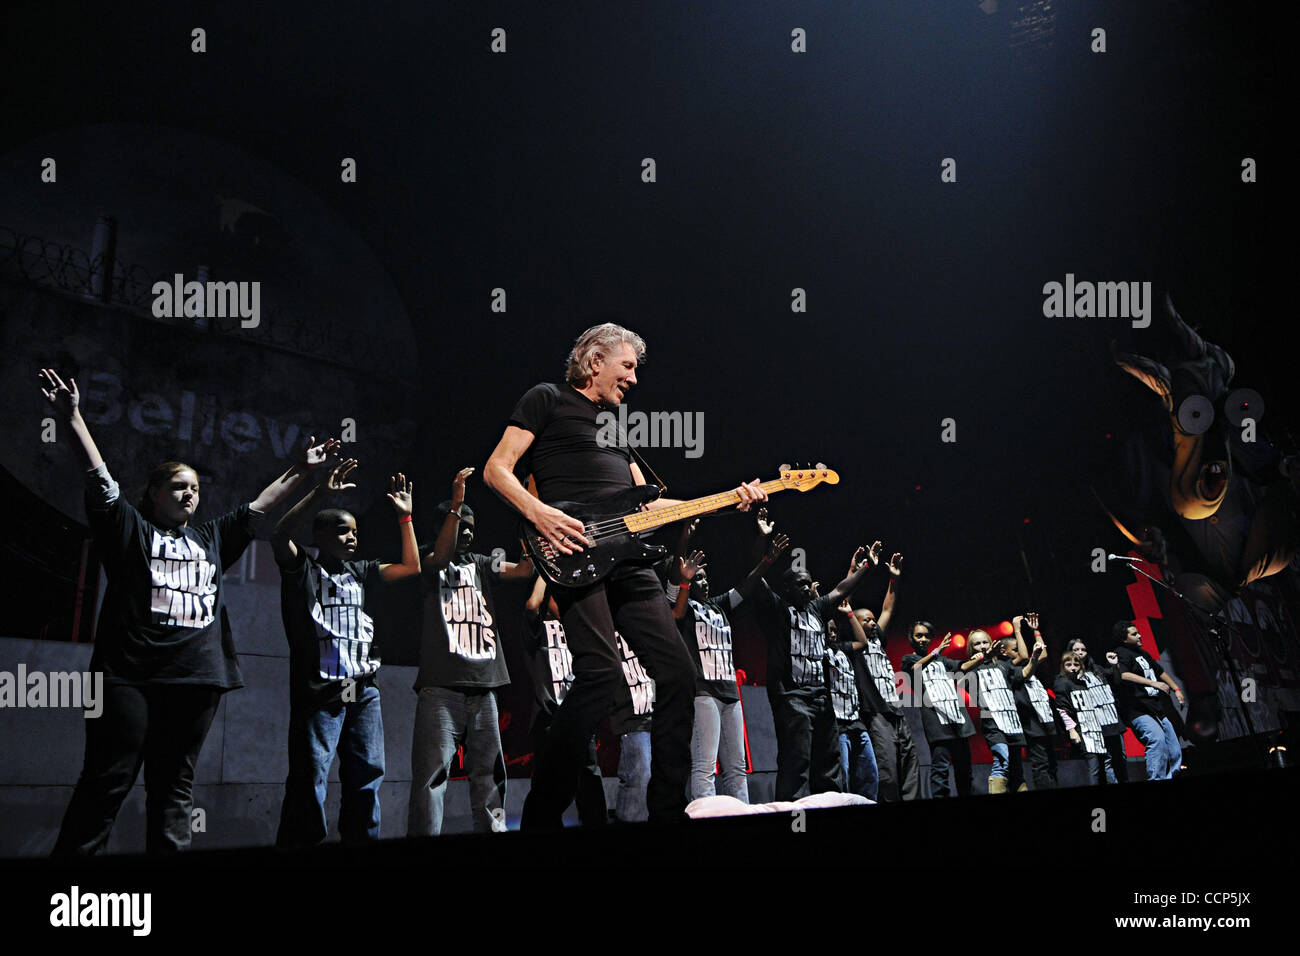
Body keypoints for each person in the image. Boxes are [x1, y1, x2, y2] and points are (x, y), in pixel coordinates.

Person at [39, 367, 340, 855]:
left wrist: (302, 469)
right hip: (130, 678)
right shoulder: (128, 530)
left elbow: (260, 508)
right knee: (105, 785)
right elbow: (99, 478)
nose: (190, 494)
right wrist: (73, 418)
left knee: (174, 794)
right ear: (154, 493)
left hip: (196, 679)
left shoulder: (212, 538)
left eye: (195, 488)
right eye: (178, 486)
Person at [483, 322, 767, 827]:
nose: (634, 379)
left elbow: (656, 507)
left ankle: (665, 809)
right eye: (628, 366)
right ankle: (542, 812)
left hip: (631, 560)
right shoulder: (546, 399)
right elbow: (496, 469)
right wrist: (539, 514)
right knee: (601, 676)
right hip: (574, 551)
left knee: (679, 674)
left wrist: (730, 502)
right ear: (596, 361)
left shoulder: (618, 430)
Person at [270, 459, 421, 847]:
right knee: (310, 777)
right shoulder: (302, 569)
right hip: (321, 691)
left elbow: (411, 566)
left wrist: (405, 519)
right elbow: (279, 533)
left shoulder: (363, 572)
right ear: (319, 536)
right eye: (341, 531)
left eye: (354, 532)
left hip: (364, 690)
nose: (351, 538)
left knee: (367, 774)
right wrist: (320, 492)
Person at [408, 467, 532, 836]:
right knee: (433, 778)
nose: (468, 532)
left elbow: (524, 571)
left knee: (490, 776)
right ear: (443, 526)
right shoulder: (426, 559)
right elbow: (441, 557)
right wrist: (456, 502)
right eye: (461, 525)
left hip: (485, 688)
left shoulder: (481, 563)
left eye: (472, 527)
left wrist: (530, 514)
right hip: (441, 690)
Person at [669, 529, 790, 802]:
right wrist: (683, 541)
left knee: (736, 767)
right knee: (705, 766)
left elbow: (746, 587)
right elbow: (675, 583)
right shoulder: (683, 610)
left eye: (705, 577)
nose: (705, 582)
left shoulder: (720, 606)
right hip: (703, 694)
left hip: (730, 693)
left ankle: (741, 812)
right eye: (698, 578)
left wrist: (767, 560)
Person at [751, 543, 879, 800]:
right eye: (800, 584)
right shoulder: (778, 610)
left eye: (808, 583)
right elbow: (755, 581)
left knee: (829, 765)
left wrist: (866, 567)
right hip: (792, 698)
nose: (807, 588)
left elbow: (843, 589)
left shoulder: (817, 609)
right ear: (786, 588)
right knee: (796, 764)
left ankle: (829, 808)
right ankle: (794, 816)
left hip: (821, 698)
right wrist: (763, 553)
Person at [520, 576, 606, 825]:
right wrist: (546, 570)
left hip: (578, 717)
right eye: (559, 595)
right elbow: (532, 604)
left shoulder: (577, 628)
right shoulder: (539, 625)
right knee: (547, 790)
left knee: (590, 783)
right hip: (549, 718)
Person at [845, 551, 921, 801]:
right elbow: (843, 599)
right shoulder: (854, 646)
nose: (872, 623)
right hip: (875, 712)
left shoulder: (878, 639)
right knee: (887, 771)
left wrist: (894, 580)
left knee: (910, 764)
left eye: (872, 620)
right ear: (854, 623)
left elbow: (888, 608)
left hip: (896, 709)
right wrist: (855, 569)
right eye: (866, 620)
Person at [901, 623, 975, 797]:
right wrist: (937, 650)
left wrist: (983, 657)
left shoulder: (941, 660)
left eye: (927, 636)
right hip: (936, 723)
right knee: (940, 771)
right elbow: (915, 668)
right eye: (919, 635)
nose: (923, 639)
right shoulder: (908, 659)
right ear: (911, 638)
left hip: (957, 720)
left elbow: (962, 667)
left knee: (965, 771)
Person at [1111, 621, 1186, 781]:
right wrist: (1153, 683)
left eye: (1138, 632)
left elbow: (1160, 672)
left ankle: (1172, 775)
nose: (1139, 635)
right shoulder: (1122, 652)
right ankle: (1156, 778)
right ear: (1124, 639)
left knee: (1173, 747)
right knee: (1157, 740)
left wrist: (1176, 689)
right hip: (1137, 708)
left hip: (1154, 707)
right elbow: (1124, 675)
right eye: (1134, 634)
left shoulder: (1143, 654)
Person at [962, 629, 1028, 794]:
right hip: (992, 721)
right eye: (977, 643)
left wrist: (1017, 629)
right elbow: (963, 683)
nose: (982, 646)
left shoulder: (1002, 665)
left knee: (1017, 770)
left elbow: (1023, 661)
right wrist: (980, 660)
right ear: (971, 648)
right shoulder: (971, 668)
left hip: (1011, 721)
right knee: (1002, 762)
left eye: (985, 642)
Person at [826, 603, 878, 799]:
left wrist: (849, 614)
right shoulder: (821, 654)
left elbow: (862, 642)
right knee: (843, 774)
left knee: (870, 772)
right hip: (837, 723)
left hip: (856, 720)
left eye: (835, 631)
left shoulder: (843, 648)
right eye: (829, 630)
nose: (833, 634)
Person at [1007, 613, 1058, 791]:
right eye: (1013, 649)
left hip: (1044, 717)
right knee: (1041, 764)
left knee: (1052, 763)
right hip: (1031, 722)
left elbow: (1042, 655)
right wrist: (1018, 630)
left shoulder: (1028, 666)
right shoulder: (1008, 668)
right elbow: (1022, 655)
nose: (1020, 650)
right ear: (1005, 652)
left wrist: (1036, 631)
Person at [1068, 637, 1127, 783]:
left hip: (1112, 720)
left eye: (1083, 649)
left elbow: (1117, 681)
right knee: (1107, 761)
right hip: (1095, 724)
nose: (1080, 652)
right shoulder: (1071, 677)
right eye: (1076, 650)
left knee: (1121, 757)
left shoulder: (1098, 670)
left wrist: (1114, 666)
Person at [1053, 651, 1111, 785]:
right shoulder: (1062, 683)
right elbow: (1062, 710)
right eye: (1068, 664)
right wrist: (1072, 730)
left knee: (1102, 766)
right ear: (1063, 666)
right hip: (1082, 731)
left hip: (1095, 729)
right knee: (1093, 767)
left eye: (1076, 664)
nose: (1073, 667)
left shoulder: (1083, 684)